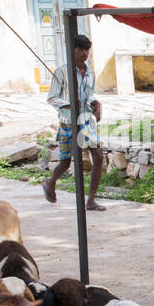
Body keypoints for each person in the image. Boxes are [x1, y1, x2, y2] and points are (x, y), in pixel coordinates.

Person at [43, 34, 106, 211]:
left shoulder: (90, 73)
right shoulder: (62, 72)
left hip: (85, 121)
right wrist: (68, 104)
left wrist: (95, 103)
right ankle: (50, 182)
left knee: (99, 156)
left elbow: (90, 94)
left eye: (87, 50)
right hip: (68, 122)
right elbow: (52, 98)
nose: (84, 53)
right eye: (80, 49)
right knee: (65, 162)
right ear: (72, 50)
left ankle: (91, 200)